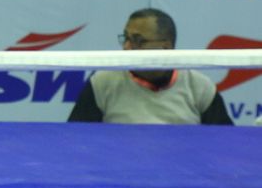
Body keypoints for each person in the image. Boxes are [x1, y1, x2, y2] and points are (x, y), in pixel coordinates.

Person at [68, 9, 234, 125]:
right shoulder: (102, 83)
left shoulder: (199, 87)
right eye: (126, 38)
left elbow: (224, 145)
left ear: (166, 47)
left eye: (138, 41)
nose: (126, 47)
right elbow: (75, 141)